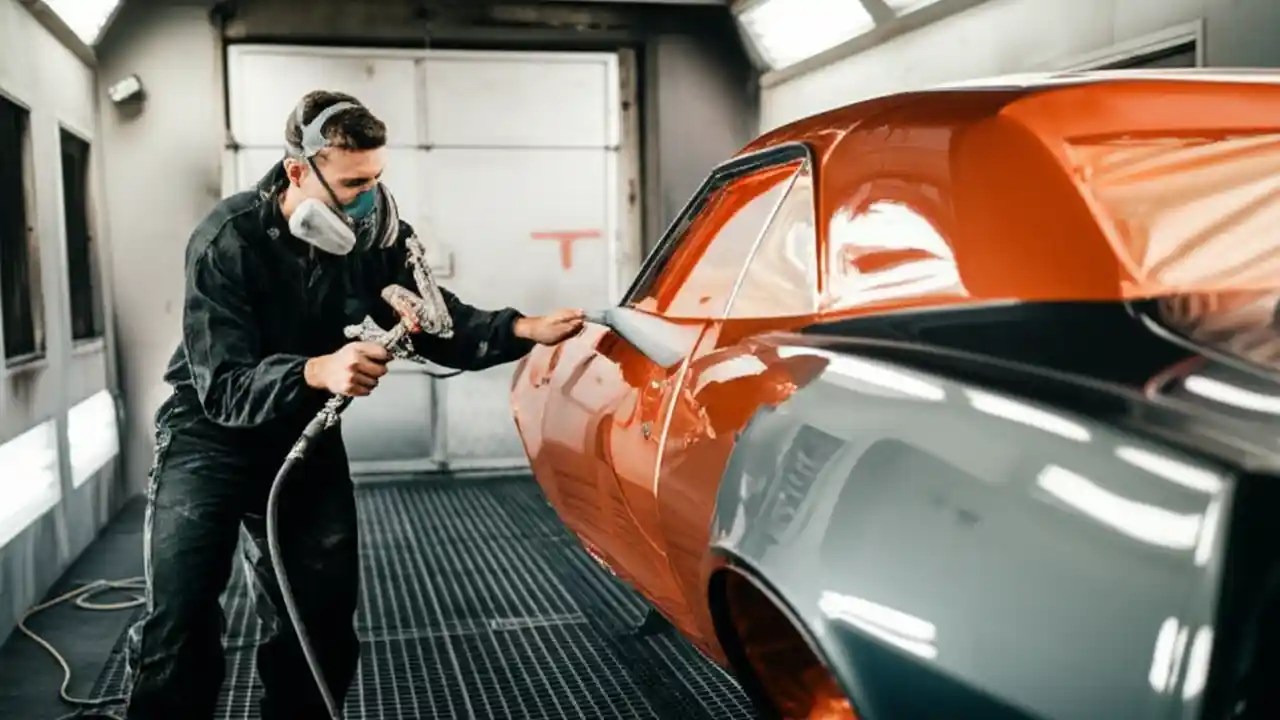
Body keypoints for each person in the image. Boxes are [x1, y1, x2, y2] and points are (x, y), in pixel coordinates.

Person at [123, 90, 584, 719]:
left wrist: (524, 329)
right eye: (352, 184)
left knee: (318, 620)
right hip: (209, 436)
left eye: (376, 179)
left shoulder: (374, 239)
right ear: (297, 171)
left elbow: (433, 319)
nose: (368, 199)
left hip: (301, 431)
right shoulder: (227, 241)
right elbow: (224, 384)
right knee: (180, 621)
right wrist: (317, 368)